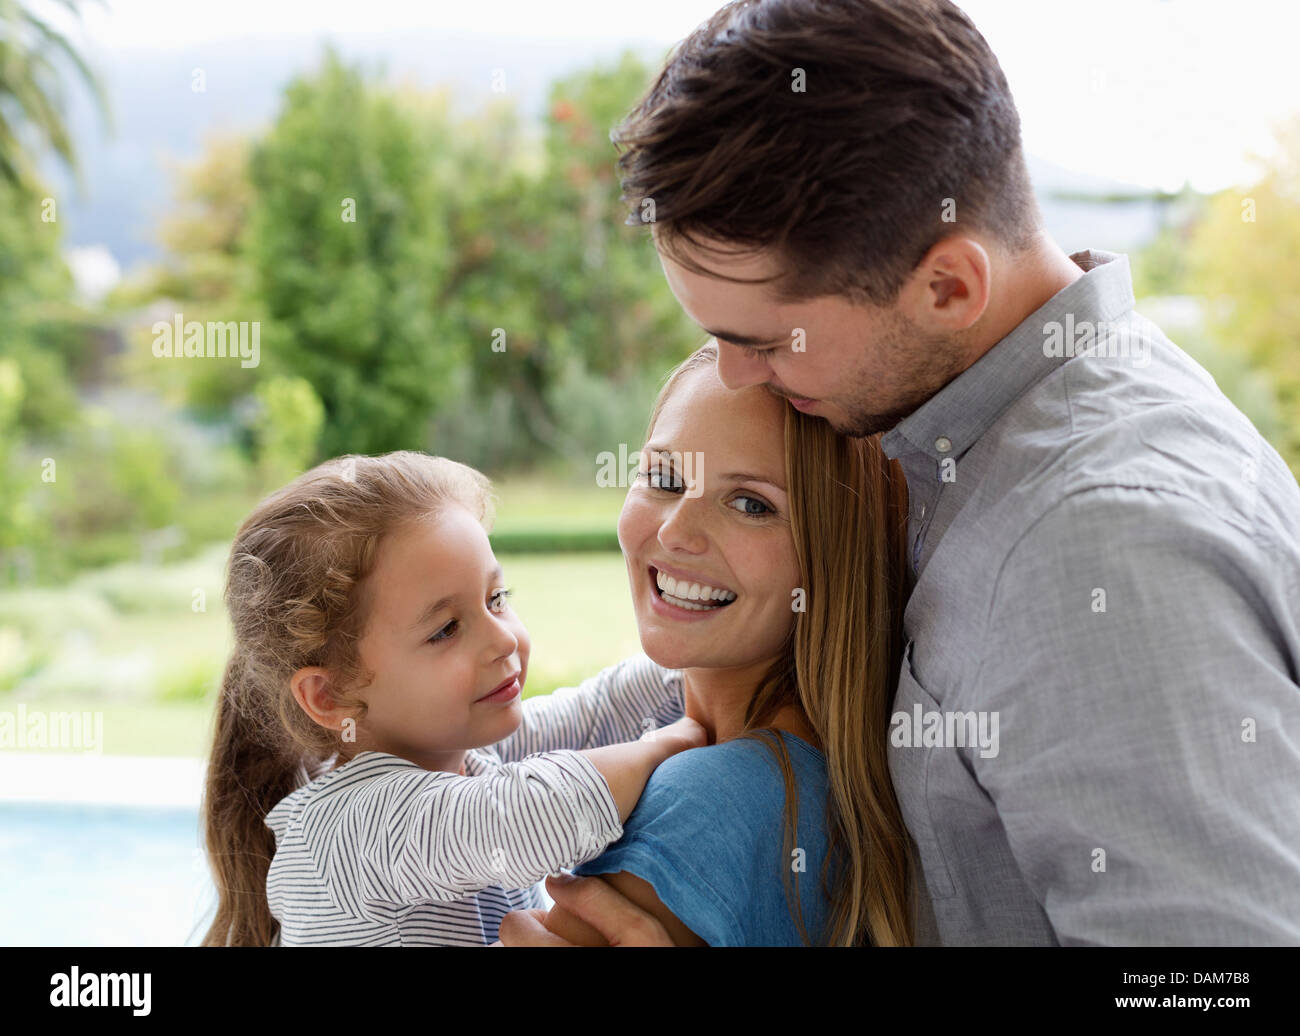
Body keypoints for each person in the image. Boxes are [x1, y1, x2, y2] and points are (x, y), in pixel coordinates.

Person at [502, 0, 1300, 946]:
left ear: (950, 287)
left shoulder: (1099, 545)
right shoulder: (965, 439)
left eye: (761, 341)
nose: (734, 374)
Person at [201, 450, 706, 946]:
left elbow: (598, 712)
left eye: (496, 599)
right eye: (446, 630)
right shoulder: (343, 831)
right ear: (330, 695)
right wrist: (667, 744)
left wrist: (707, 660)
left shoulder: (463, 754)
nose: (504, 640)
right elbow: (525, 818)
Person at [524, 341, 915, 945]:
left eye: (750, 504)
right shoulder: (817, 776)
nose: (676, 531)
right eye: (663, 478)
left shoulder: (705, 802)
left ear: (832, 558)